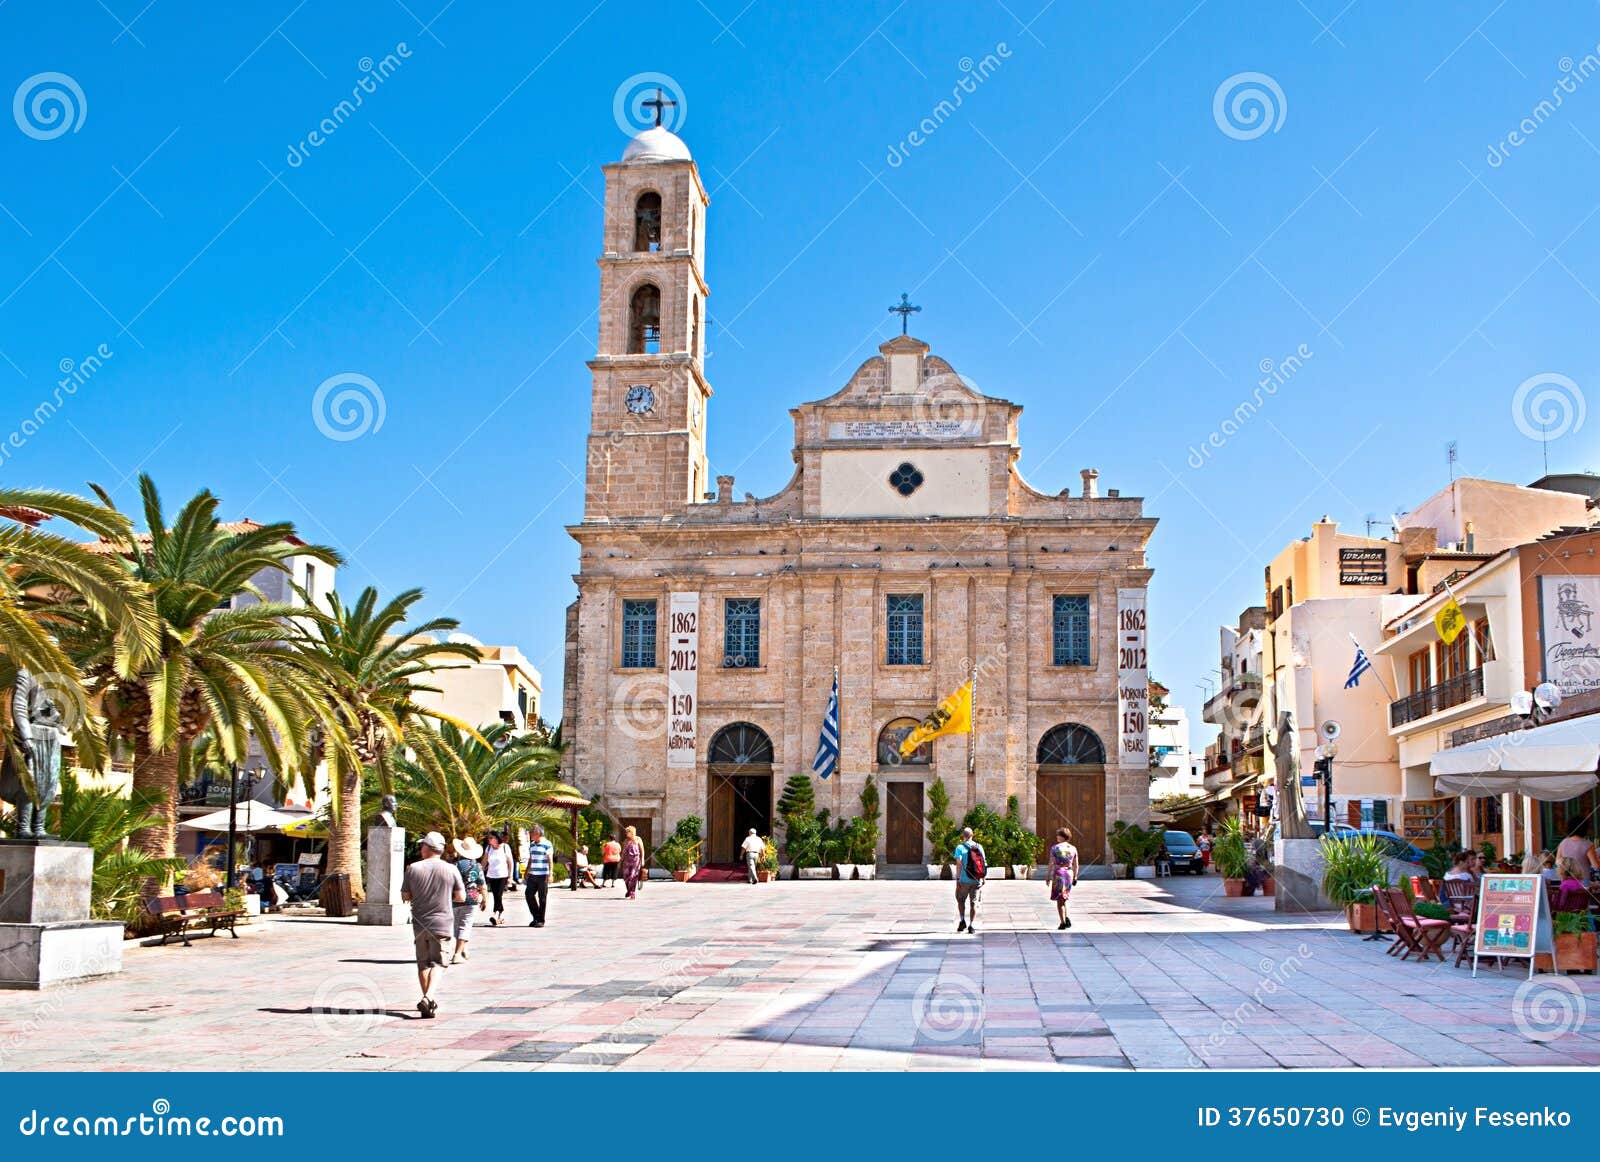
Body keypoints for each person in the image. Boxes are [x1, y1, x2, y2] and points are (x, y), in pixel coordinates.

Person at [400, 831, 465, 1019]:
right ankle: (429, 997)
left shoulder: (413, 868)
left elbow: (405, 896)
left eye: (422, 846)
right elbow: (461, 897)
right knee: (439, 962)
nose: (421, 849)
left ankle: (427, 1001)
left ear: (427, 848)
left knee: (423, 963)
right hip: (443, 922)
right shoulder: (451, 869)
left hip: (420, 923)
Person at [449, 837, 486, 964]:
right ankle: (457, 954)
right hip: (472, 898)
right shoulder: (477, 866)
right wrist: (485, 900)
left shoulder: (453, 865)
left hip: (455, 898)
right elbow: (482, 884)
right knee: (465, 925)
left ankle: (462, 947)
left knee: (456, 926)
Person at [951, 826, 986, 935]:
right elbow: (984, 863)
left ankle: (962, 921)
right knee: (973, 903)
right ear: (972, 835)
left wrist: (957, 879)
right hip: (976, 879)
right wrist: (983, 878)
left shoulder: (960, 848)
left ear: (963, 836)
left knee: (960, 900)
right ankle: (972, 925)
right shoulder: (979, 847)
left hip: (964, 880)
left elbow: (958, 864)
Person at [1047, 826, 1078, 930]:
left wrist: (1048, 876)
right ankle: (1066, 918)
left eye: (1058, 835)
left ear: (1061, 836)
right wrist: (1075, 877)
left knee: (1059, 900)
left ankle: (1063, 922)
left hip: (1059, 873)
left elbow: (1051, 863)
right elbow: (1076, 865)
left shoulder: (1055, 848)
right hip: (1069, 873)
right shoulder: (1073, 848)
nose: (1057, 837)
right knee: (1064, 898)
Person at [524, 824, 554, 927]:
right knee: (529, 894)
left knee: (542, 897)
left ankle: (541, 920)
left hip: (543, 875)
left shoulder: (547, 844)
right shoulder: (532, 845)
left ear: (537, 833)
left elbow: (550, 860)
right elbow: (531, 859)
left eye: (531, 832)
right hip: (533, 874)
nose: (530, 834)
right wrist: (527, 871)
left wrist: (550, 874)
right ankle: (536, 916)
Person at [483, 832, 514, 926]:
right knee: (495, 894)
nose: (489, 839)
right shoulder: (488, 848)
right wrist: (480, 870)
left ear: (496, 838)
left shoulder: (505, 847)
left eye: (491, 838)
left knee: (498, 895)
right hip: (491, 875)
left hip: (502, 875)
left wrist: (510, 876)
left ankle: (495, 913)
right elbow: (484, 861)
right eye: (488, 838)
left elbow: (510, 862)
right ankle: (500, 913)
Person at [620, 825, 646, 899]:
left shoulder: (638, 839)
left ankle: (632, 892)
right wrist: (621, 860)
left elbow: (642, 850)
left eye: (627, 832)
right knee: (626, 877)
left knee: (633, 876)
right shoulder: (626, 841)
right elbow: (623, 852)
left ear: (632, 832)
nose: (626, 833)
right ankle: (628, 890)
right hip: (626, 861)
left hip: (636, 860)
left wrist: (642, 859)